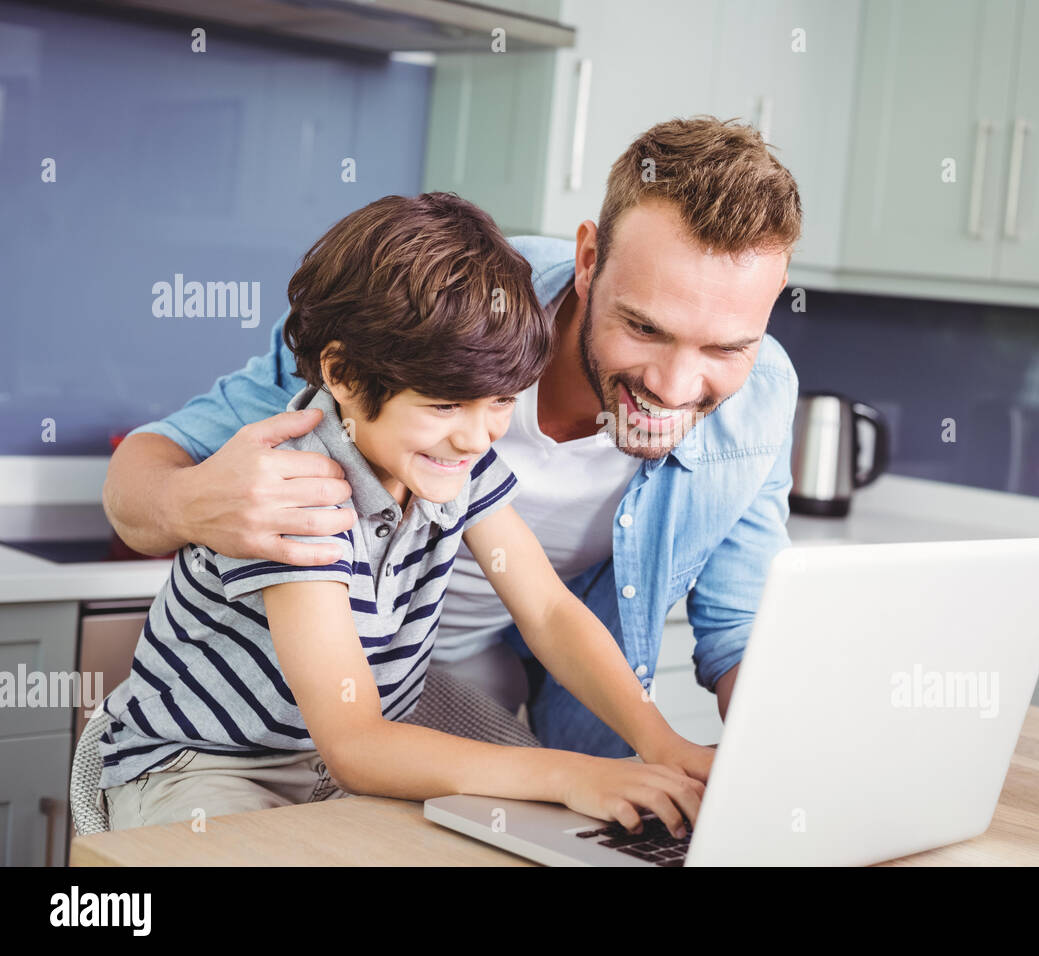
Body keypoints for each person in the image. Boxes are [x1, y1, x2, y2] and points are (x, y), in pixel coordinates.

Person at [102, 115, 802, 757]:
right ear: (589, 262)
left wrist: (775, 784)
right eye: (645, 328)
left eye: (726, 349)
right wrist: (193, 502)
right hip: (279, 708)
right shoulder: (439, 306)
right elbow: (142, 477)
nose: (677, 387)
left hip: (454, 690)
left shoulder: (759, 402)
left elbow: (736, 631)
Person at [98, 192, 712, 833]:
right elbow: (357, 744)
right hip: (210, 767)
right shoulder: (299, 486)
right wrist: (570, 773)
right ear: (343, 374)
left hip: (339, 770)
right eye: (444, 406)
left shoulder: (452, 463)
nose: (477, 437)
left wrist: (660, 742)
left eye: (501, 400)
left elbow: (549, 611)